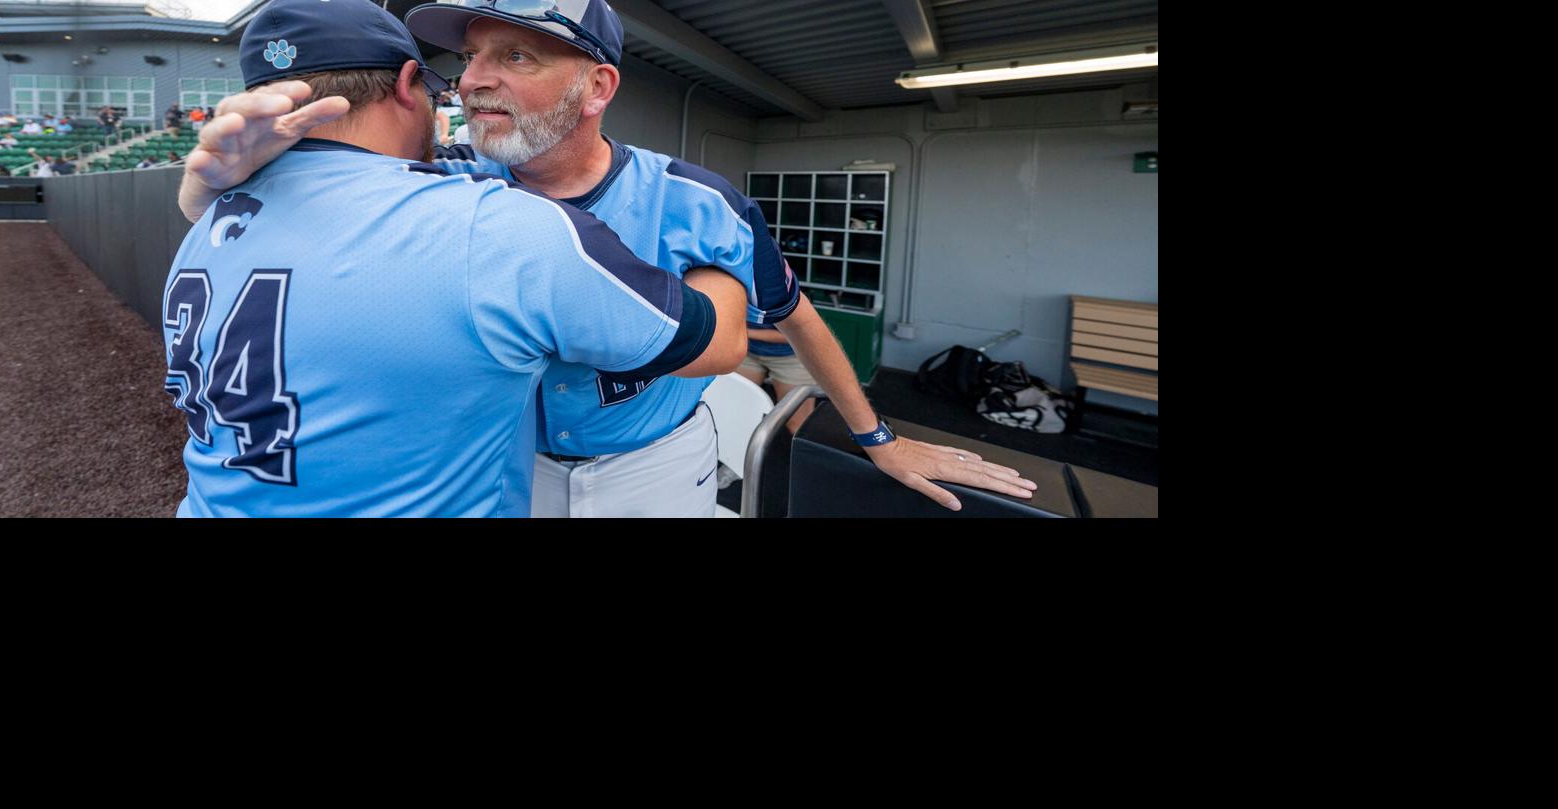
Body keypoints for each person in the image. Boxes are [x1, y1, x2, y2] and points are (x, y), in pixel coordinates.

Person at [183, 0, 1037, 516]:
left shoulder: (697, 199)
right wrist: (225, 179)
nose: (473, 78)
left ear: (597, 87)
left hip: (652, 467)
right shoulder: (442, 180)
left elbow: (797, 319)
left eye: (515, 55)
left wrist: (879, 438)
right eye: (469, 55)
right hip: (511, 469)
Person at [160, 0, 747, 517]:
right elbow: (717, 343)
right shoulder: (496, 225)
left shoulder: (208, 222)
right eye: (457, 68)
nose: (466, 86)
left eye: (516, 57)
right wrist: (720, 274)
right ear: (407, 83)